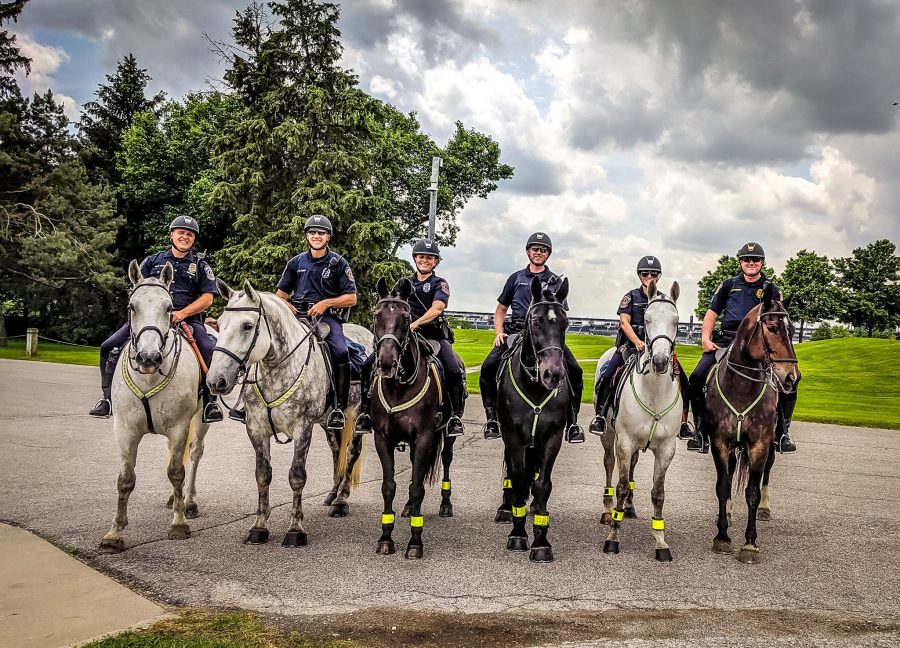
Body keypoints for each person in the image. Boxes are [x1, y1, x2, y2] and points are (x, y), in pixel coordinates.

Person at [88, 216, 223, 423]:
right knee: (109, 347)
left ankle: (209, 402)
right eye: (180, 232)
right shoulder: (152, 261)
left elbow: (207, 298)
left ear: (193, 240)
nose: (184, 237)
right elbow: (137, 289)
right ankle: (107, 399)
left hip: (187, 319)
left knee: (208, 349)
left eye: (189, 234)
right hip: (148, 318)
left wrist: (183, 313)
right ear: (172, 234)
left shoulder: (200, 265)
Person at [686, 242, 798, 454]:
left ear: (762, 263)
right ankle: (700, 432)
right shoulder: (729, 285)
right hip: (728, 341)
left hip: (760, 345)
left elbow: (780, 323)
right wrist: (705, 338)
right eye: (747, 259)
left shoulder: (772, 289)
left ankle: (783, 433)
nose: (751, 263)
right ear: (740, 262)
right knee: (697, 376)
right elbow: (711, 314)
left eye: (755, 259)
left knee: (790, 380)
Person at [480, 232, 585, 444]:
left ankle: (572, 422)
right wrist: (499, 332)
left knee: (575, 370)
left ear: (548, 254)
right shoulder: (516, 279)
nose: (538, 253)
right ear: (528, 251)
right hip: (517, 331)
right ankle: (491, 418)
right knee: (488, 367)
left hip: (546, 336)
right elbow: (501, 309)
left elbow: (560, 313)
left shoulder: (555, 281)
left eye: (543, 250)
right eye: (535, 249)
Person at [354, 239, 465, 437]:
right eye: (421, 256)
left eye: (429, 258)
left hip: (432, 336)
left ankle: (454, 417)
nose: (425, 260)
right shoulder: (404, 283)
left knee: (453, 370)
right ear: (415, 259)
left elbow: (437, 308)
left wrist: (416, 324)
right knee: (367, 365)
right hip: (403, 337)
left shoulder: (439, 283)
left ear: (435, 262)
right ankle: (365, 413)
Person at [267, 214, 357, 432]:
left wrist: (326, 303)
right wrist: (287, 306)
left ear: (328, 237)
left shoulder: (338, 263)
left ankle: (338, 407)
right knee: (266, 344)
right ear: (307, 235)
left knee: (341, 352)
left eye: (321, 233)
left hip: (327, 318)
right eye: (312, 232)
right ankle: (248, 402)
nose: (317, 236)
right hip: (298, 315)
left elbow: (352, 297)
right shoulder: (296, 262)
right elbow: (280, 295)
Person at [589, 256, 692, 437]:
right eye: (645, 273)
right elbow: (624, 322)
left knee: (684, 381)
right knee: (607, 375)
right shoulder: (631, 297)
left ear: (659, 276)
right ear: (639, 275)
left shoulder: (663, 301)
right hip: (629, 347)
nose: (649, 276)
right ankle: (600, 416)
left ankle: (683, 423)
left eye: (653, 274)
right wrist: (637, 341)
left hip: (656, 349)